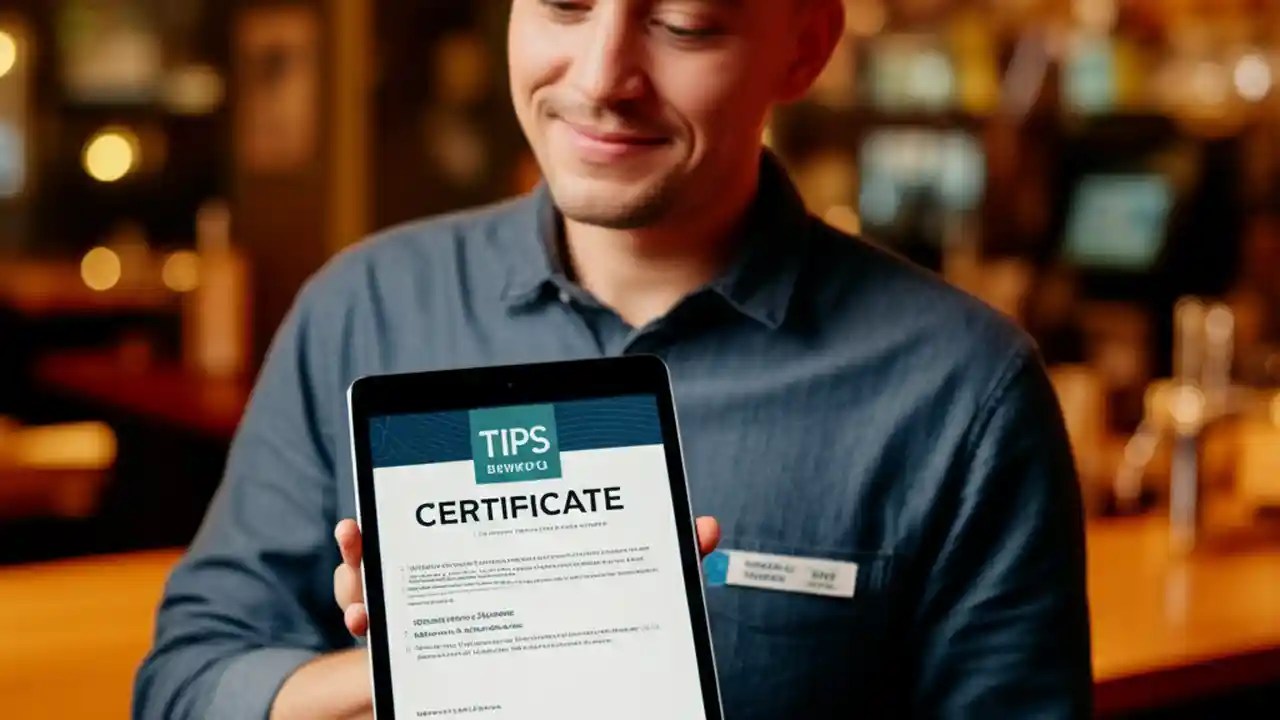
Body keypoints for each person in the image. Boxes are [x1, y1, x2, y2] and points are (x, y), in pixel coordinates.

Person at [134, 0, 1093, 718]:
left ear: (804, 45)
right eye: (561, 3)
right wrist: (423, 666)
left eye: (682, 24)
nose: (601, 77)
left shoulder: (963, 391)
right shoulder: (364, 307)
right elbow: (184, 686)